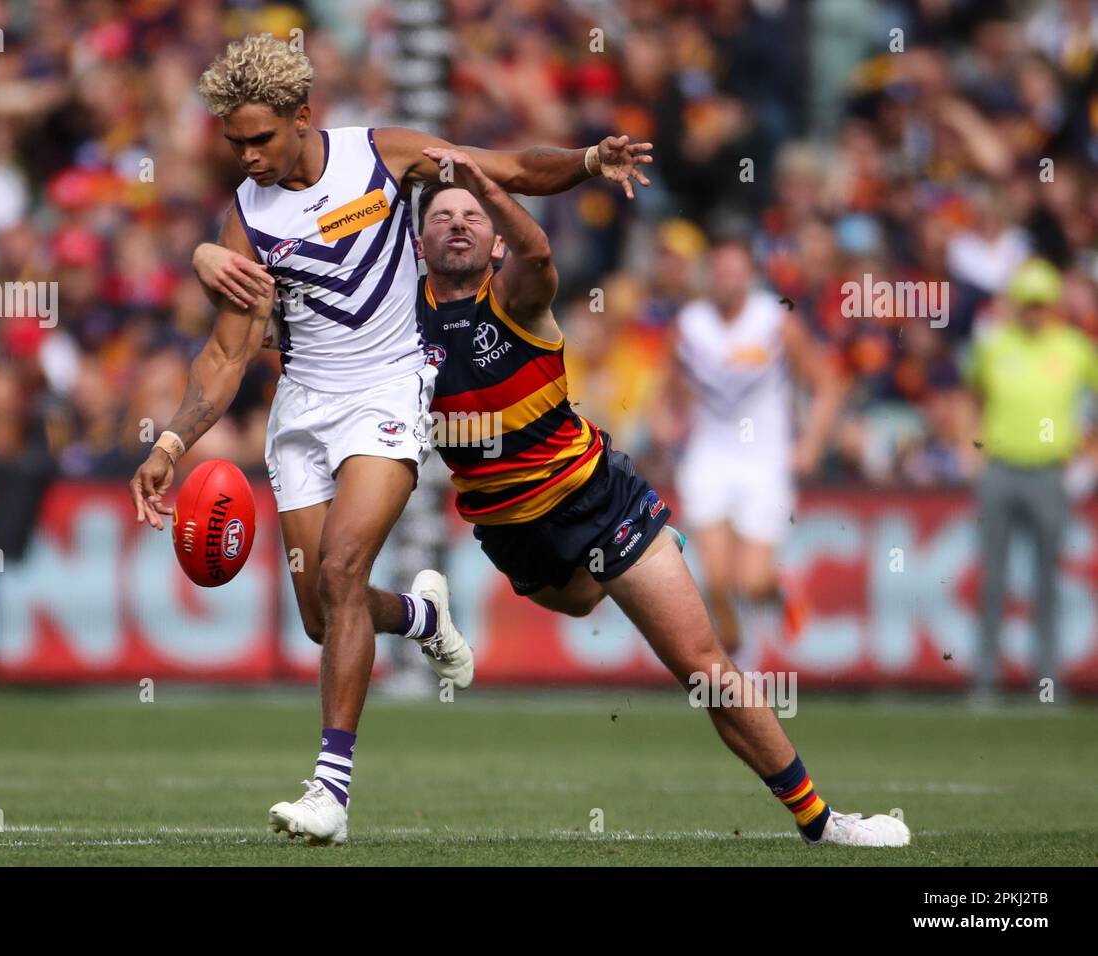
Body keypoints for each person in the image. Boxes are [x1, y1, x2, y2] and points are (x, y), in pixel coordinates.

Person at [128, 34, 655, 846]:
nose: (247, 155)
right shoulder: (245, 218)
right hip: (302, 408)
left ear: (303, 118)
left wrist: (588, 160)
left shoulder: (382, 157)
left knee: (342, 569)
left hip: (387, 392)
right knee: (319, 613)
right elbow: (230, 353)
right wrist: (169, 444)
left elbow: (504, 171)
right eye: (234, 142)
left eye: (260, 137)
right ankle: (418, 617)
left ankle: (331, 792)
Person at [414, 153, 909, 847]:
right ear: (417, 243)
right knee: (581, 600)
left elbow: (538, 247)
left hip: (595, 494)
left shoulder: (517, 294)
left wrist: (490, 185)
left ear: (496, 239)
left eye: (474, 217)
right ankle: (438, 612)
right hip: (509, 527)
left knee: (704, 668)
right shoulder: (394, 326)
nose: (460, 224)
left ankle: (821, 821)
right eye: (442, 217)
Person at [663, 240, 843, 659]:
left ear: (750, 275)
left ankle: (780, 592)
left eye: (735, 271)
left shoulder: (775, 322)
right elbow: (669, 384)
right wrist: (667, 421)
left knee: (753, 579)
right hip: (708, 456)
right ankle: (733, 661)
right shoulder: (690, 324)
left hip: (764, 459)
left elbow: (827, 386)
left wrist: (811, 443)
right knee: (716, 579)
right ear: (709, 276)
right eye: (720, 271)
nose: (727, 280)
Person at [966, 257, 1098, 700]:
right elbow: (972, 397)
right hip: (1000, 468)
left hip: (1049, 472)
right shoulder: (995, 345)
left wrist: (1089, 455)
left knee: (1048, 581)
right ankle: (986, 680)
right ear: (1016, 304)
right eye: (1028, 303)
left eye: (1041, 303)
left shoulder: (1075, 348)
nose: (1034, 312)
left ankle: (1046, 681)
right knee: (993, 579)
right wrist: (972, 449)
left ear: (1053, 305)